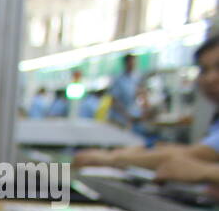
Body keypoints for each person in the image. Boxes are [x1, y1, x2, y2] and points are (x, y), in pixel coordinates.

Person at [75, 36, 219, 170]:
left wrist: (111, 159)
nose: (210, 78)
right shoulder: (120, 81)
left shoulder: (135, 80)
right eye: (204, 70)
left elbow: (194, 156)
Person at [108, 53, 142, 129]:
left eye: (134, 63)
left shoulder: (136, 78)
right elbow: (113, 101)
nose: (133, 65)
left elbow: (139, 95)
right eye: (131, 63)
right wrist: (126, 115)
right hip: (119, 119)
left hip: (132, 117)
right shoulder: (118, 80)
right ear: (126, 63)